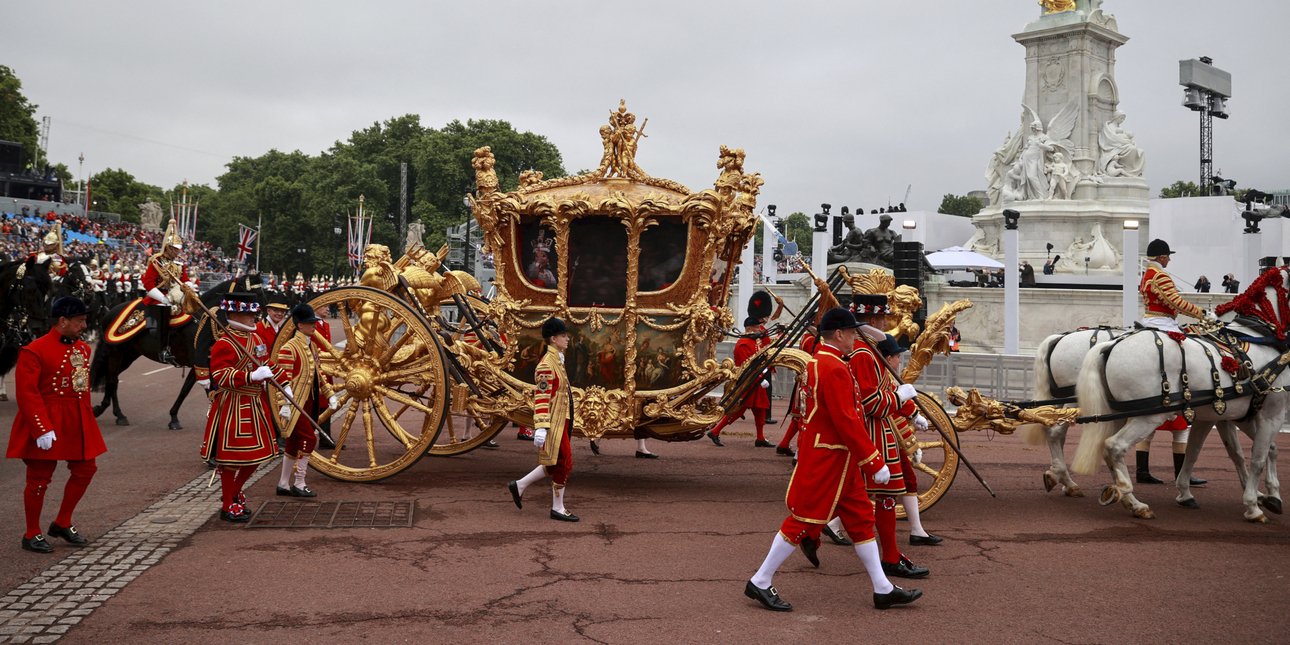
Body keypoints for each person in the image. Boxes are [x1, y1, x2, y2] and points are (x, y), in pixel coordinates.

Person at [743, 307, 920, 612]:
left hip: (838, 458)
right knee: (802, 520)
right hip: (829, 457)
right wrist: (874, 460)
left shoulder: (823, 361)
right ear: (839, 334)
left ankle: (882, 588)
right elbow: (847, 420)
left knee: (863, 520)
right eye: (852, 333)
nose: (855, 338)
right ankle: (760, 580)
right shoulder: (834, 367)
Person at [7, 297, 106, 553]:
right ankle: (31, 533)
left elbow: (81, 389)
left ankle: (62, 522)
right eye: (80, 321)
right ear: (62, 321)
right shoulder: (34, 350)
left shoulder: (83, 349)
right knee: (39, 479)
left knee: (86, 469)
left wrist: (86, 422)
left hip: (75, 419)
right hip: (47, 420)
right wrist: (41, 427)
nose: (84, 326)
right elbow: (28, 394)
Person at [846, 295, 931, 579]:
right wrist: (898, 398)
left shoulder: (870, 350)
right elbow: (872, 402)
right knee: (870, 495)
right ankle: (889, 557)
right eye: (883, 318)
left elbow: (883, 387)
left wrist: (909, 409)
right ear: (873, 320)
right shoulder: (861, 353)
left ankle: (891, 554)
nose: (887, 322)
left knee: (884, 495)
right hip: (870, 432)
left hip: (880, 432)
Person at [200, 292, 285, 522]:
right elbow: (220, 375)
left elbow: (267, 364)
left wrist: (284, 382)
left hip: (255, 404)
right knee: (231, 461)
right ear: (236, 314)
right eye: (249, 315)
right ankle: (228, 503)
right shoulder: (224, 343)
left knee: (258, 456)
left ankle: (235, 491)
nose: (253, 318)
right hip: (233, 405)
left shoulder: (256, 339)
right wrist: (251, 376)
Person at [1136, 239, 1210, 487]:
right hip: (1163, 324)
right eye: (1168, 256)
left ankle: (1142, 471)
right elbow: (1177, 303)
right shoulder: (1161, 275)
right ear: (1162, 256)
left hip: (1150, 321)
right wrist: (1202, 313)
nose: (1169, 259)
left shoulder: (1147, 274)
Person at [507, 318, 579, 522]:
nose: (567, 339)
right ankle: (558, 507)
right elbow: (542, 398)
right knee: (565, 462)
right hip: (553, 422)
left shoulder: (557, 360)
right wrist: (540, 427)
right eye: (564, 336)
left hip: (561, 419)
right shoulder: (547, 365)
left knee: (555, 462)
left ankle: (519, 485)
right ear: (554, 339)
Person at [876, 334, 942, 547]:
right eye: (897, 356)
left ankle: (917, 530)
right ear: (887, 357)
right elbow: (889, 404)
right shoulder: (881, 375)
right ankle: (833, 524)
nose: (899, 361)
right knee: (872, 489)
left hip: (891, 436)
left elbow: (897, 400)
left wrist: (915, 415)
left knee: (907, 480)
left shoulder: (885, 374)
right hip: (883, 437)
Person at [272, 304, 338, 498]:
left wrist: (330, 393)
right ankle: (299, 483)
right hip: (294, 403)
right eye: (310, 323)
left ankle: (283, 484)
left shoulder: (310, 345)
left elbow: (318, 374)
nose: (314, 326)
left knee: (293, 442)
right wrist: (284, 404)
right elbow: (281, 380)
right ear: (300, 325)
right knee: (309, 439)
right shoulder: (289, 347)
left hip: (308, 401)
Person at [707, 317, 773, 448]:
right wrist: (761, 377)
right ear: (749, 329)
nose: (758, 330)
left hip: (755, 381)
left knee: (761, 409)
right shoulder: (743, 344)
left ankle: (760, 437)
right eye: (756, 327)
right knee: (738, 409)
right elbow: (747, 366)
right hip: (748, 381)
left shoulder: (752, 341)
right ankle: (715, 431)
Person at [141, 218, 188, 365]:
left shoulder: (179, 264)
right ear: (168, 247)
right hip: (158, 297)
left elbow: (184, 280)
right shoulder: (157, 261)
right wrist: (163, 298)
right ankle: (162, 350)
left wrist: (190, 287)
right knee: (165, 311)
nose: (177, 252)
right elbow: (148, 283)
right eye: (175, 249)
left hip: (176, 296)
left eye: (178, 249)